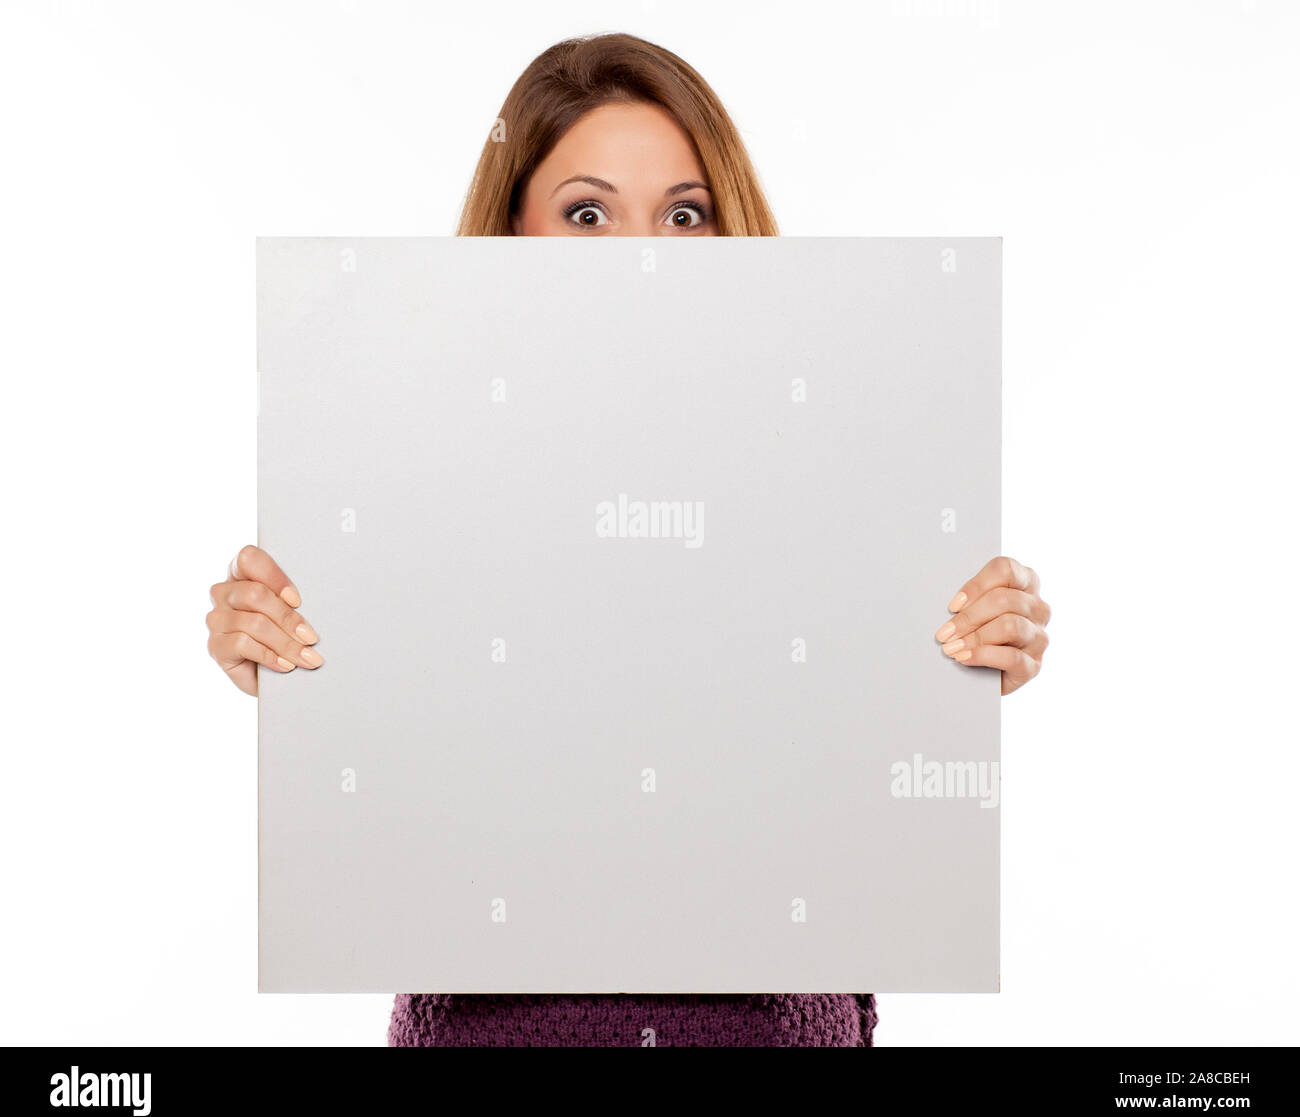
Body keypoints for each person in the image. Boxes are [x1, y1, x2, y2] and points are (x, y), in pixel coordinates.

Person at [206, 32, 1051, 1047]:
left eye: (683, 214)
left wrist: (956, 665)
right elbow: (392, 780)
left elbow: (854, 790)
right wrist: (291, 667)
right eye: (587, 213)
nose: (641, 251)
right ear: (513, 232)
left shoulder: (835, 460)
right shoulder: (400, 473)